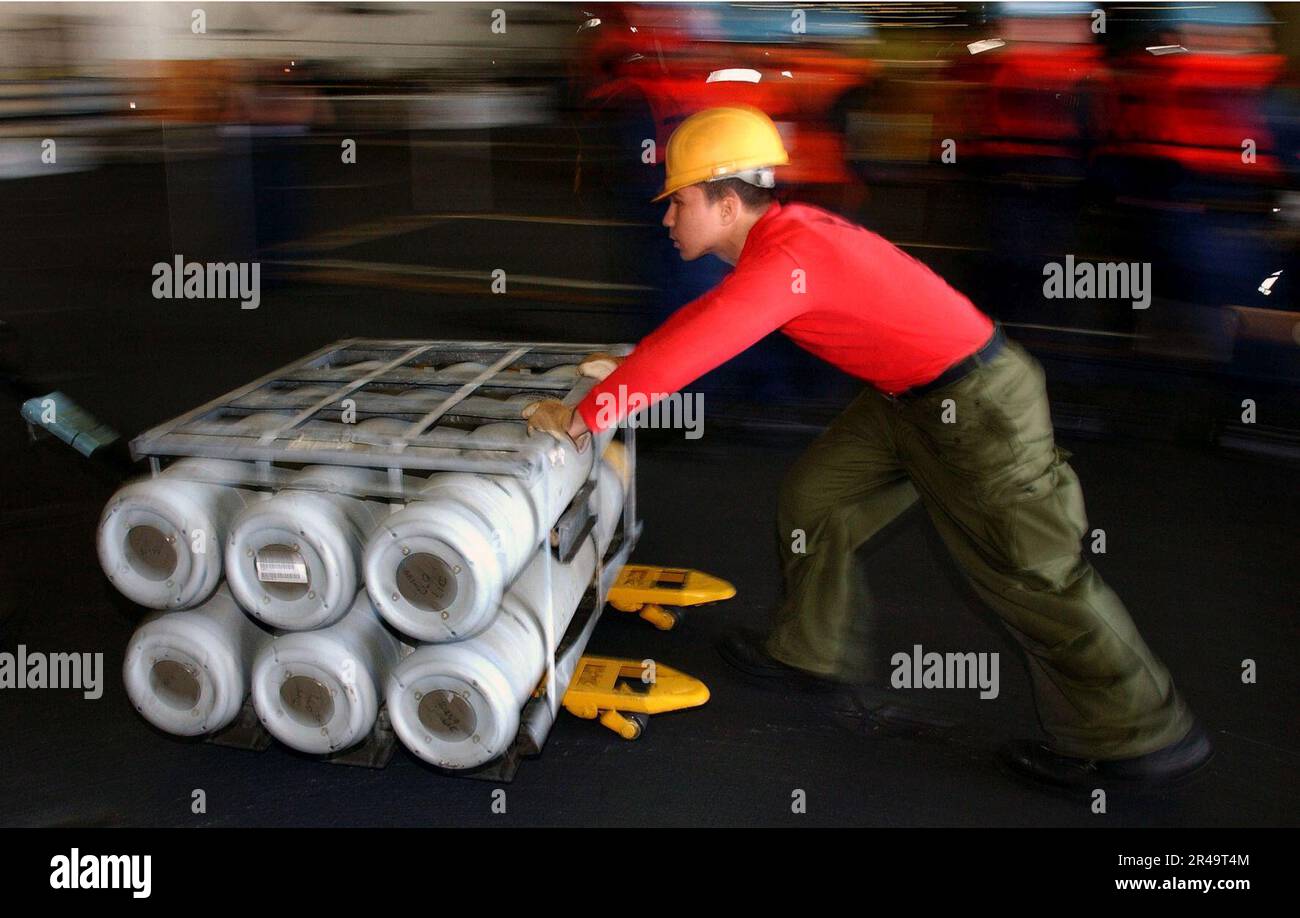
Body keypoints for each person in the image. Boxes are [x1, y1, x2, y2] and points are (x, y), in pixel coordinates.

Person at [522, 105, 1211, 791]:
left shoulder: (786, 257)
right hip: (906, 400)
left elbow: (700, 349)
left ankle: (1142, 735)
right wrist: (629, 364)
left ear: (727, 204)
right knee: (817, 499)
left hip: (979, 408)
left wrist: (584, 417)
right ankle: (808, 651)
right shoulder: (780, 242)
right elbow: (706, 322)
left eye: (678, 203)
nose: (667, 219)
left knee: (1034, 575)